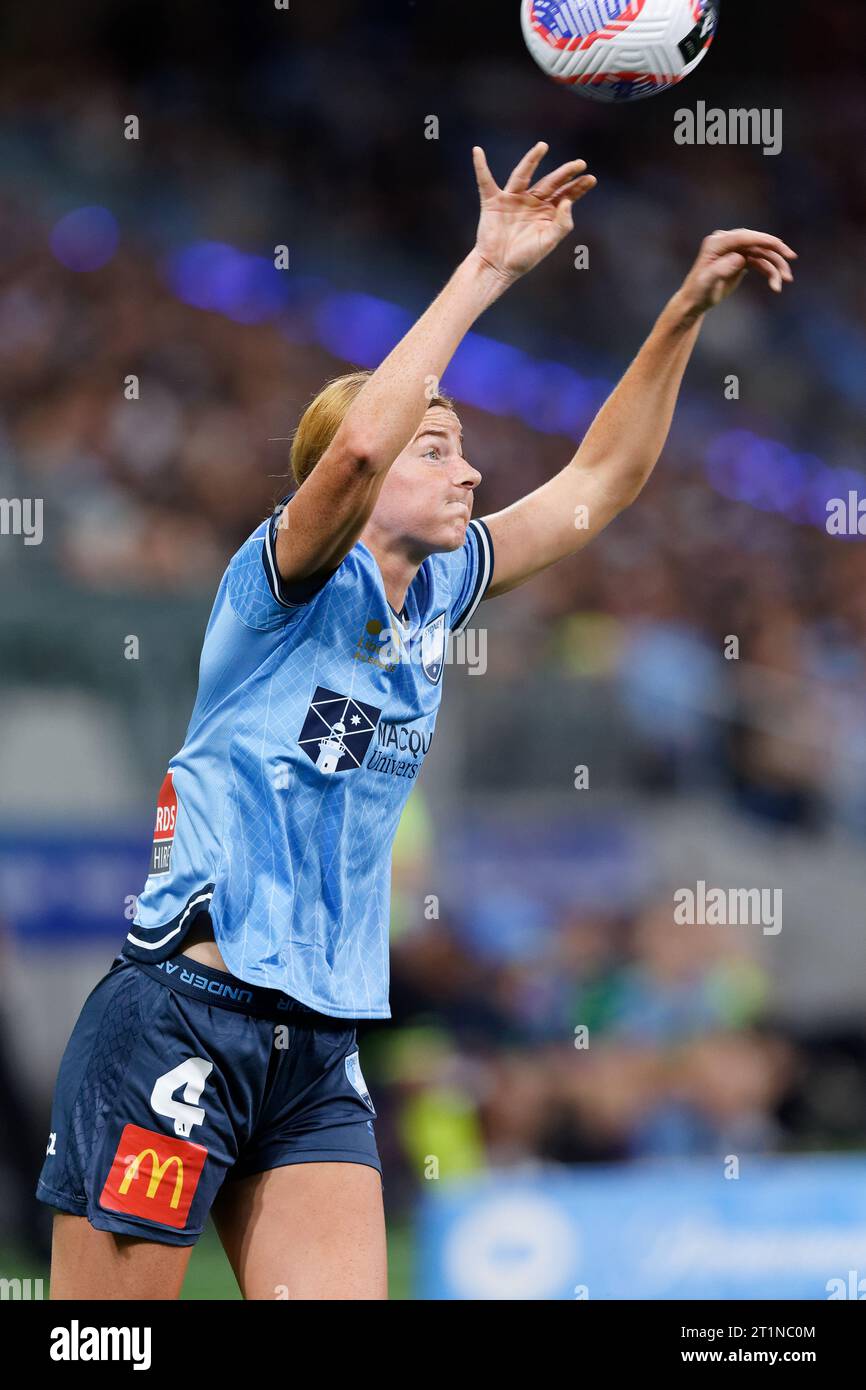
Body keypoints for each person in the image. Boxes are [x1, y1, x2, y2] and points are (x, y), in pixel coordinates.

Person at [36, 141, 795, 1299]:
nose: (470, 473)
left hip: (319, 1045)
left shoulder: (437, 594)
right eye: (437, 449)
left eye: (464, 450)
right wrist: (485, 268)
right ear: (370, 476)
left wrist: (682, 309)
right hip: (182, 1019)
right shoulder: (277, 585)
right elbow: (351, 444)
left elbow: (599, 485)